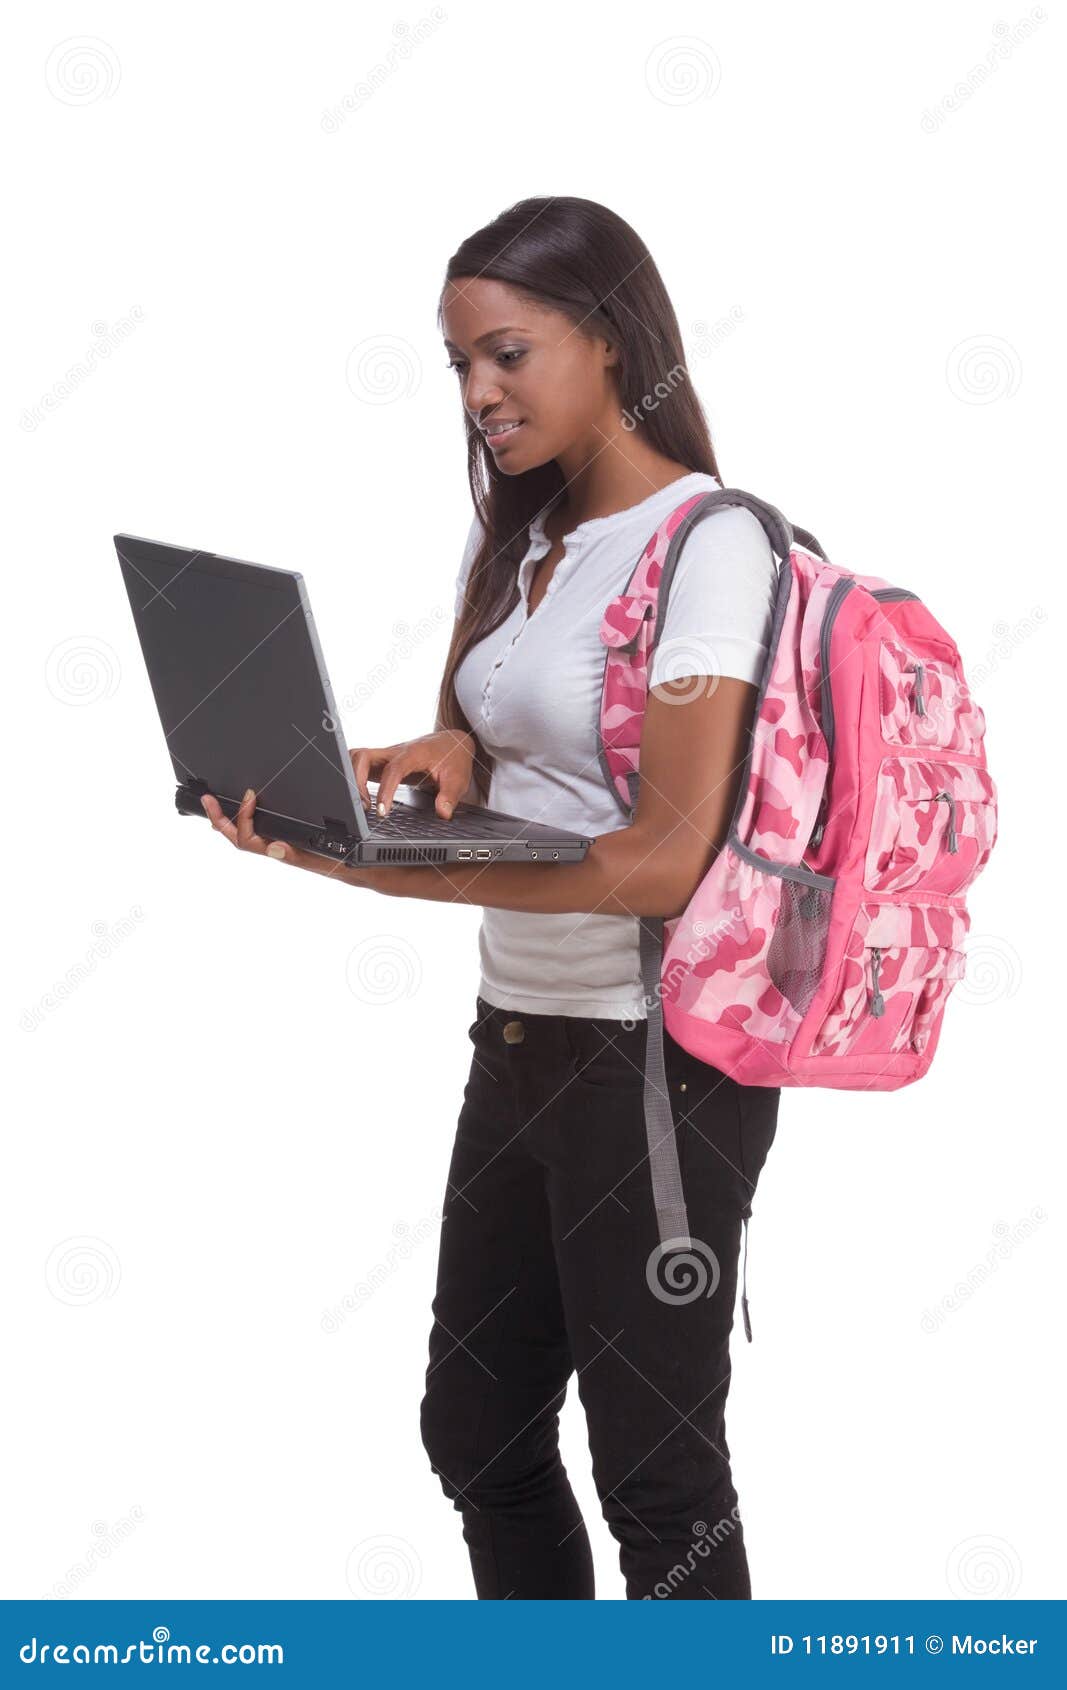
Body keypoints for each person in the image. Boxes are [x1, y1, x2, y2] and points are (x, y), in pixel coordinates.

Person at [201, 195, 782, 1599]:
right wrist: (454, 746)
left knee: (657, 1472)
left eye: (509, 354)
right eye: (459, 361)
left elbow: (660, 853)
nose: (478, 393)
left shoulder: (713, 546)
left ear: (609, 341)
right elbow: (541, 735)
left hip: (649, 1063)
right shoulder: (521, 543)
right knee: (476, 1430)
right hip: (516, 1039)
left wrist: (366, 861)